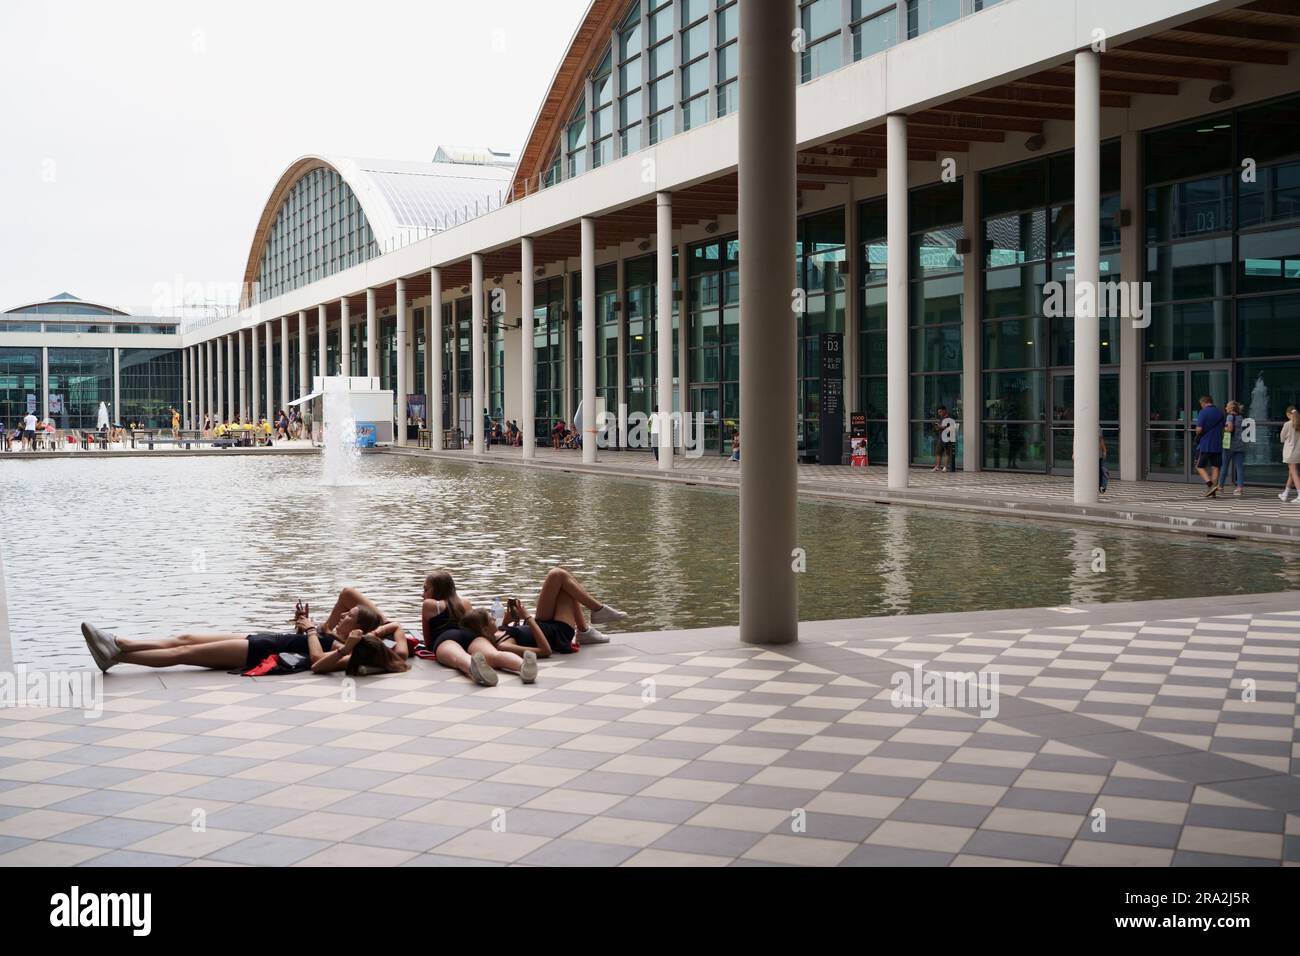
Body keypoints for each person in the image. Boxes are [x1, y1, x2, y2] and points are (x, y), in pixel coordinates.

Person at [79, 587, 410, 675]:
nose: (341, 618)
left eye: (348, 617)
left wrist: (310, 632)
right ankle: (119, 643)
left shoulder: (348, 648)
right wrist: (386, 627)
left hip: (260, 653)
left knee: (186, 655)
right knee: (186, 638)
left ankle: (118, 653)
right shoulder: (339, 633)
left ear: (360, 627)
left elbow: (318, 664)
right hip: (259, 638)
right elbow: (349, 592)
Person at [419, 569, 533, 686]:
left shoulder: (429, 604)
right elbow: (474, 626)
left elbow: (428, 641)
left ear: (438, 589)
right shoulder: (465, 603)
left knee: (459, 658)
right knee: (495, 655)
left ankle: (475, 667)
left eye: (426, 589)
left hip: (446, 639)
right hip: (470, 635)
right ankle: (523, 664)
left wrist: (433, 648)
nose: (423, 594)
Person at [1192, 394, 1225, 498]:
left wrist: (1197, 435)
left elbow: (1199, 429)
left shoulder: (1203, 412)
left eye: (1201, 404)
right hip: (1218, 444)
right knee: (1216, 467)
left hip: (1205, 444)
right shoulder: (1220, 413)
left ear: (1203, 402)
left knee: (1199, 466)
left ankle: (1210, 485)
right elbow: (1224, 428)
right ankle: (1213, 492)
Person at [1218, 400, 1246, 497]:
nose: (1225, 408)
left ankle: (1220, 486)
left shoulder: (1230, 416)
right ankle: (1239, 488)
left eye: (1227, 406)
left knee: (1224, 465)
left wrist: (1224, 428)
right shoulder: (1240, 417)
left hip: (1229, 445)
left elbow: (1229, 429)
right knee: (1239, 467)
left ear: (1231, 408)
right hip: (1240, 445)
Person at [1280, 405, 1300, 504]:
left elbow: (1282, 438)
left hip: (1290, 452)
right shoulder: (1299, 423)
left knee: (1294, 473)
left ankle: (1299, 495)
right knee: (1291, 473)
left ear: (1288, 414)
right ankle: (1285, 493)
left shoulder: (1288, 424)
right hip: (1298, 452)